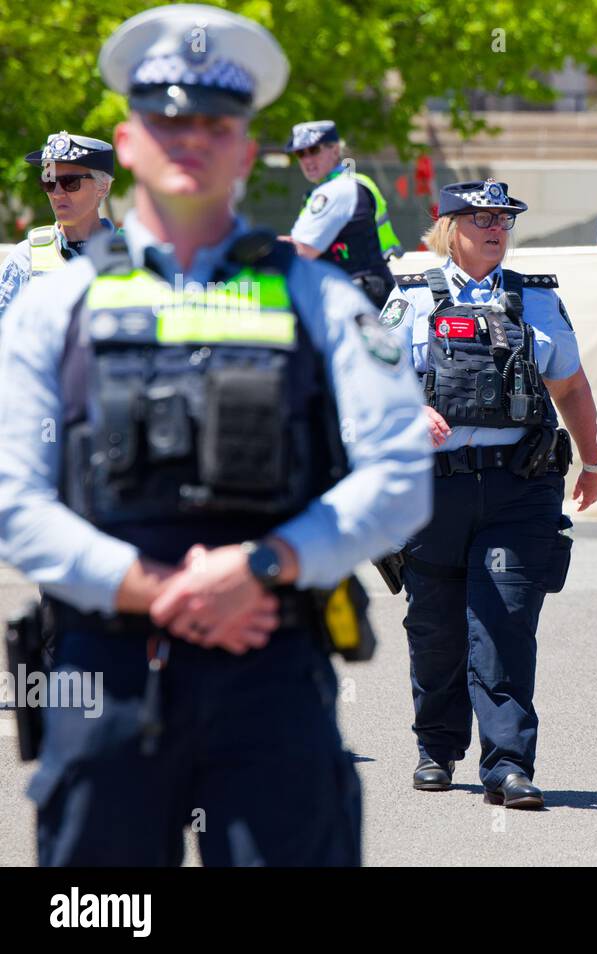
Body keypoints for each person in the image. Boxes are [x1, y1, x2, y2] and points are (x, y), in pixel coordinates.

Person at [0, 3, 432, 865]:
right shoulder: (53, 304)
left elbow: (397, 478)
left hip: (271, 668)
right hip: (103, 676)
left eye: (215, 121)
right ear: (126, 143)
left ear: (244, 147)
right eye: (166, 119)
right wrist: (154, 587)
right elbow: (14, 498)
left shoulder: (323, 302)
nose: (189, 138)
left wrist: (262, 564)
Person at [382, 178, 597, 809]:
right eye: (479, 218)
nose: (494, 228)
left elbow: (571, 387)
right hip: (433, 491)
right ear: (448, 228)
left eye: (503, 220)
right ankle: (437, 746)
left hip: (520, 487)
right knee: (436, 629)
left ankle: (508, 764)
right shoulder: (411, 300)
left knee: (505, 623)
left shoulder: (534, 300)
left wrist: (594, 459)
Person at [286, 119, 403, 308]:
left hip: (354, 298)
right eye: (300, 153)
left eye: (314, 150)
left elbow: (302, 250)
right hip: (369, 290)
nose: (307, 160)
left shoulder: (335, 190)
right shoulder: (355, 181)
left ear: (334, 150)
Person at [0, 132, 116, 320]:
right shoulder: (24, 259)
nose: (57, 193)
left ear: (102, 187)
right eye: (49, 181)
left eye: (70, 182)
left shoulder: (136, 253)